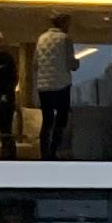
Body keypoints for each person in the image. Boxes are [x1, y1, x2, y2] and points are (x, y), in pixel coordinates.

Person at [34, 17, 79, 159]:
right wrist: (77, 63)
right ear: (64, 24)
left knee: (47, 120)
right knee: (61, 120)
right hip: (61, 85)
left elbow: (35, 64)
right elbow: (71, 64)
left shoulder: (41, 39)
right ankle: (54, 150)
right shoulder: (65, 39)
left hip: (44, 87)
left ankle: (44, 153)